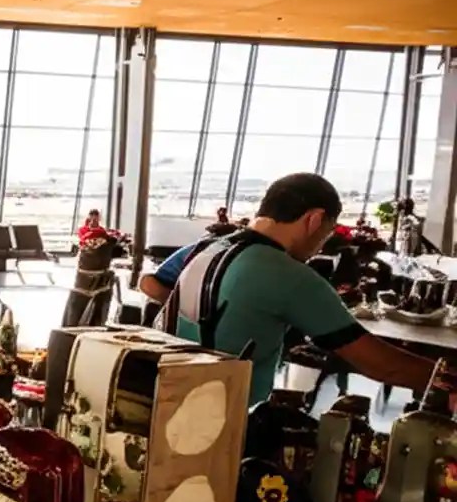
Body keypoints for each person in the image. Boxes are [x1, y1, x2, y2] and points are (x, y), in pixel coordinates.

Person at [160, 173, 435, 406]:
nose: (320, 246)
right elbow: (382, 364)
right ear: (314, 219)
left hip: (166, 395)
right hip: (222, 419)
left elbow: (158, 287)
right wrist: (444, 379)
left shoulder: (209, 247)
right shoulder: (288, 275)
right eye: (326, 234)